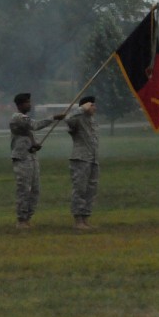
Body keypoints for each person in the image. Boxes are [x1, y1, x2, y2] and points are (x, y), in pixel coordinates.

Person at [9, 93, 63, 230]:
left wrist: (35, 144)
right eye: (27, 102)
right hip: (21, 158)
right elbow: (35, 125)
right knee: (24, 189)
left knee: (35, 189)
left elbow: (29, 134)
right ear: (20, 105)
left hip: (31, 157)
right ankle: (21, 220)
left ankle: (28, 218)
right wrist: (53, 118)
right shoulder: (17, 118)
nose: (30, 104)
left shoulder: (25, 120)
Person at [66, 95, 100, 231]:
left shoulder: (92, 121)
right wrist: (80, 109)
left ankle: (86, 218)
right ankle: (78, 220)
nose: (95, 108)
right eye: (92, 105)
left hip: (93, 158)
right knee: (80, 189)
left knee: (91, 189)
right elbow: (68, 120)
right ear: (86, 106)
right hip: (80, 158)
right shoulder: (78, 118)